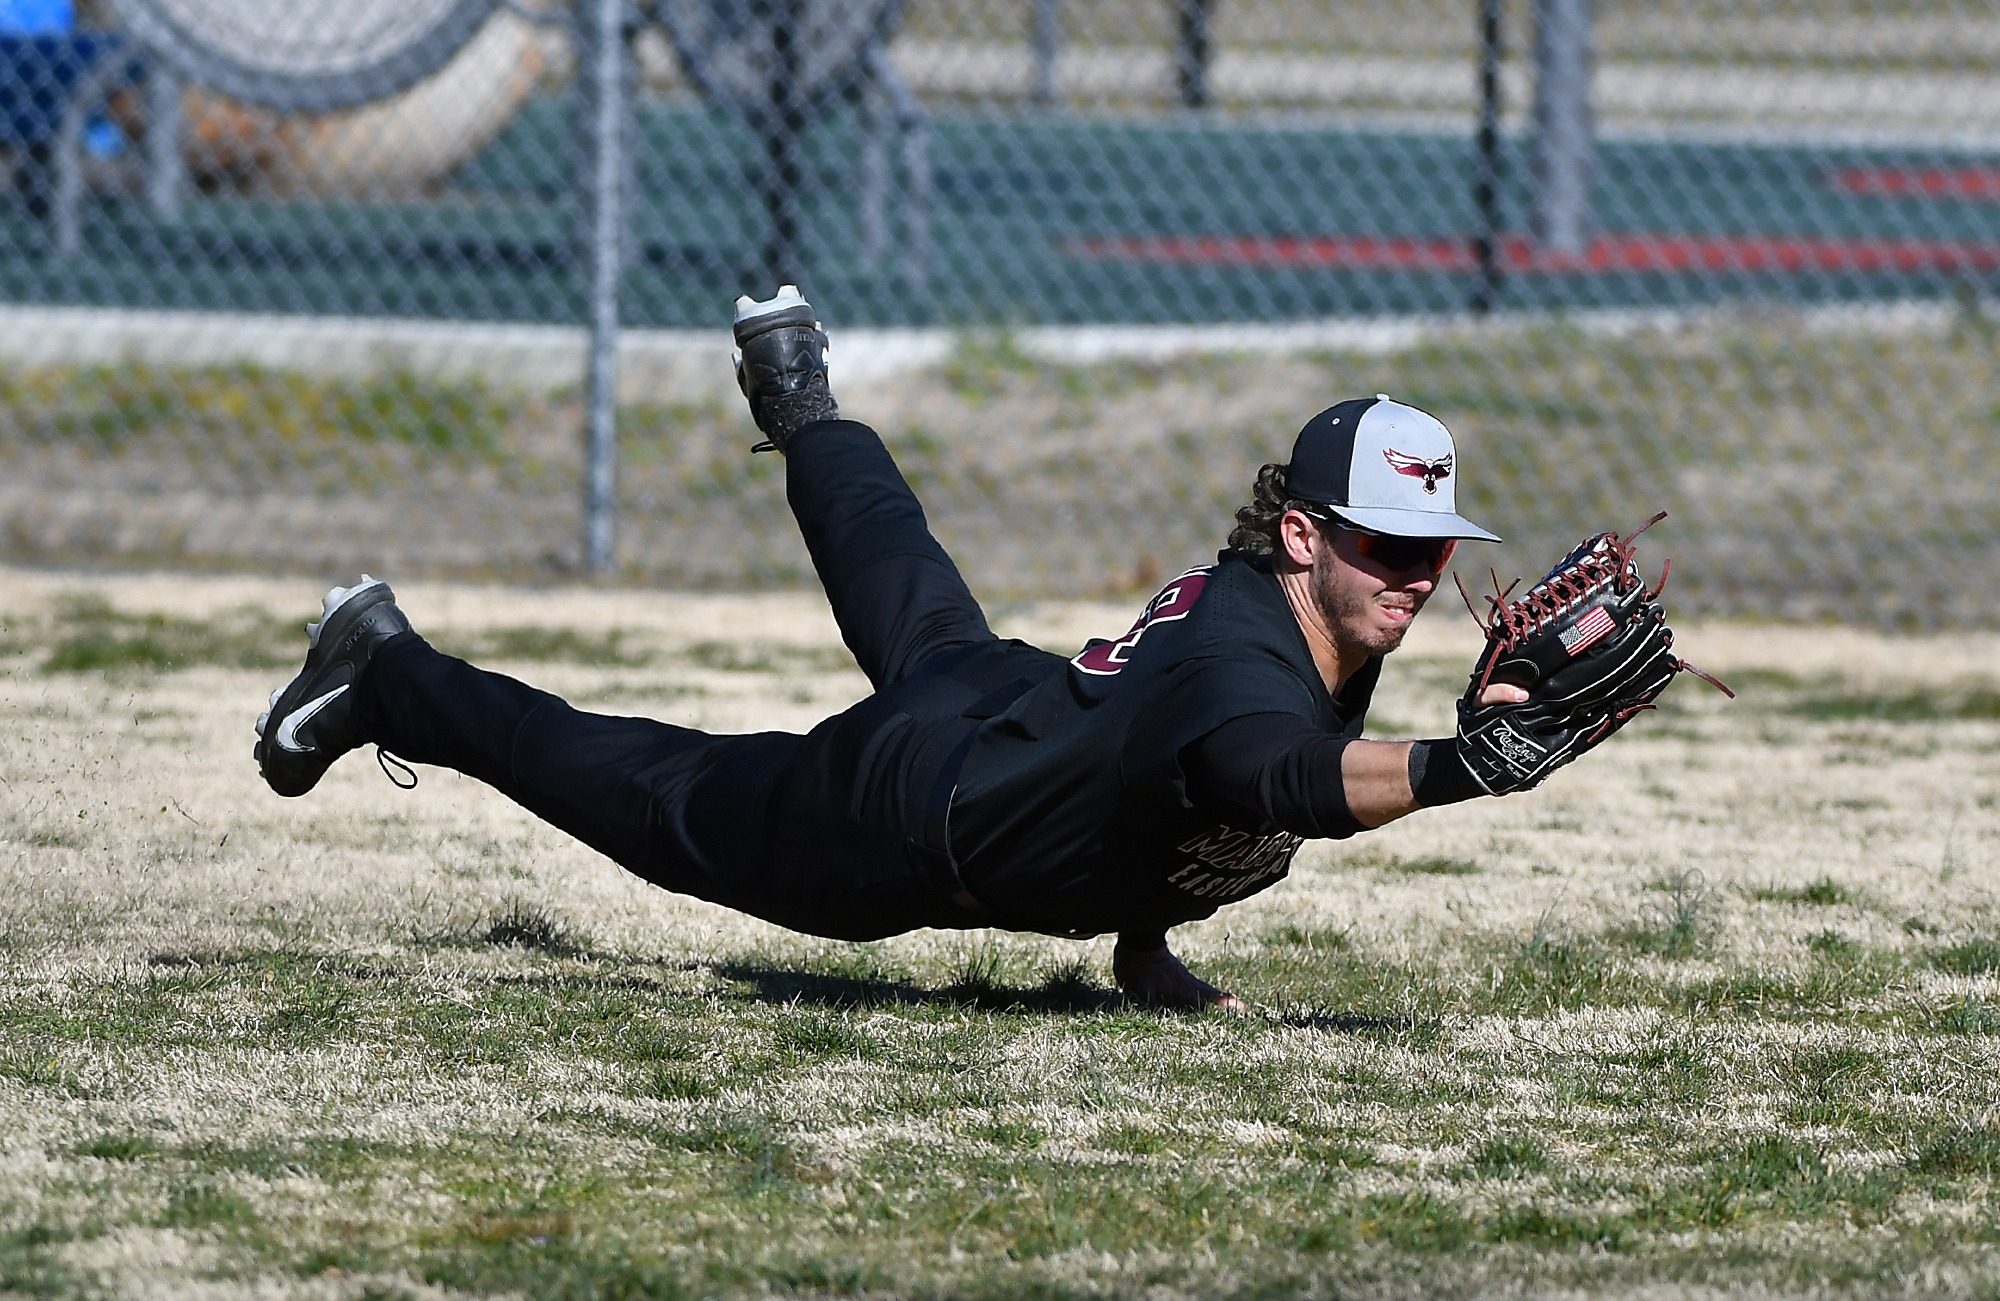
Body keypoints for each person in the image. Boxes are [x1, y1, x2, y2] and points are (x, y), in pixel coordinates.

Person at [253, 286, 1529, 1012]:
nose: (1415, 576)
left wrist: (1142, 952)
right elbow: (1260, 777)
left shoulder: (1307, 615)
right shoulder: (1247, 669)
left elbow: (1162, 792)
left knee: (922, 614)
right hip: (913, 810)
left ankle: (806, 408)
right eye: (1384, 545)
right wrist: (1461, 767)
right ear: (1301, 533)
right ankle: (385, 667)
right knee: (655, 793)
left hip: (1014, 711)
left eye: (1429, 549)